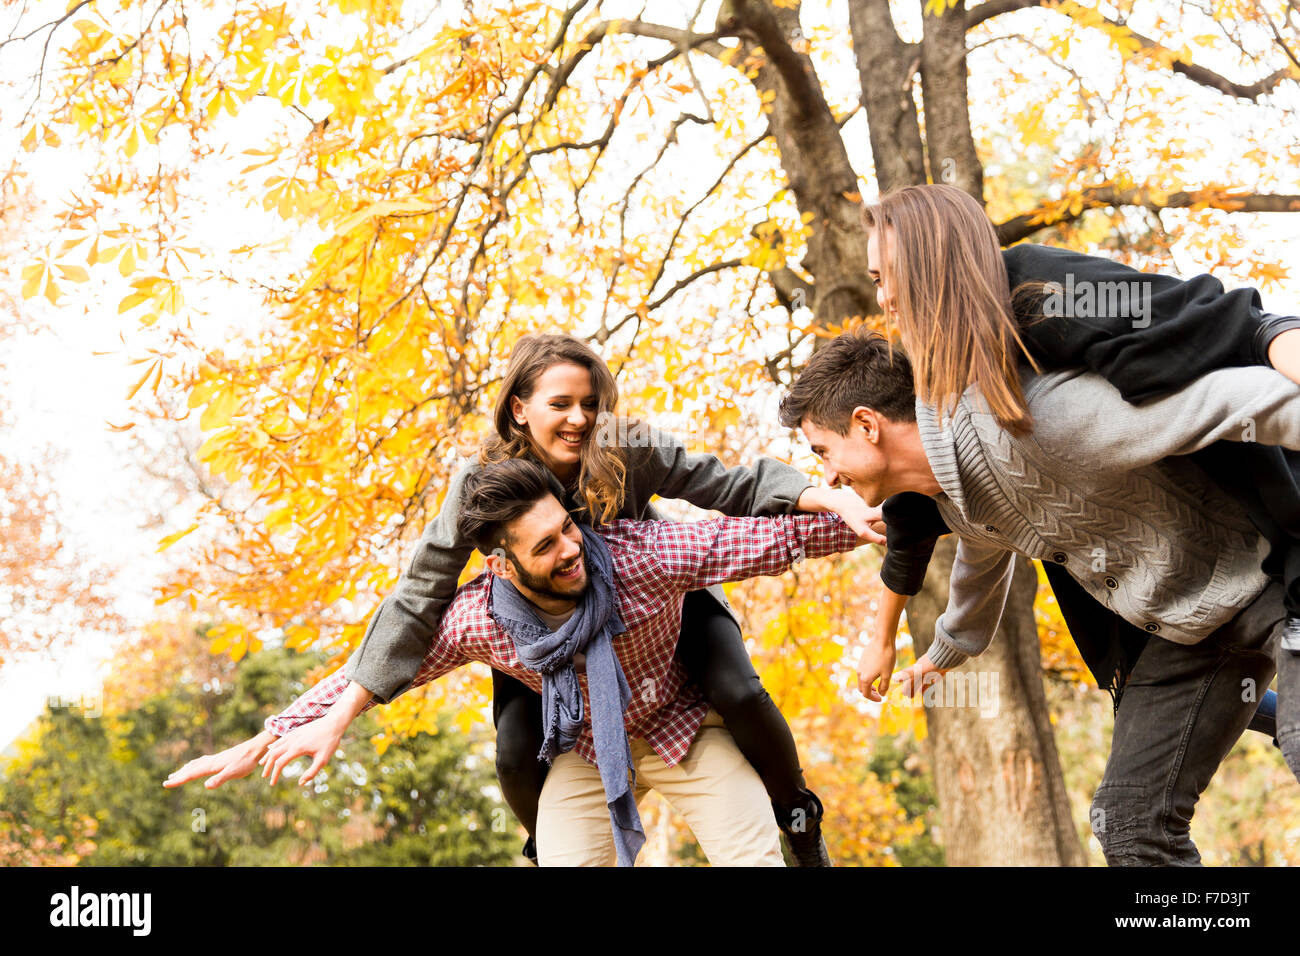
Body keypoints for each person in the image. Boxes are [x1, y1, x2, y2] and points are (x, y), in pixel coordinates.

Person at [294, 334, 878, 864]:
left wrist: (826, 500)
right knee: (516, 753)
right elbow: (422, 590)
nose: (580, 418)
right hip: (546, 626)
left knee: (737, 689)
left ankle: (796, 816)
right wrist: (340, 711)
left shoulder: (626, 447)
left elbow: (729, 485)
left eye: (591, 402)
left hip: (649, 589)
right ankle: (550, 844)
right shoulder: (484, 485)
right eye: (560, 404)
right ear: (519, 409)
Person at [164, 458, 866, 866]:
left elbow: (760, 542)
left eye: (567, 529)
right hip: (587, 753)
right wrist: (270, 734)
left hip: (684, 728)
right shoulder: (479, 619)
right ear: (501, 566)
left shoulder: (639, 559)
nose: (568, 551)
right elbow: (376, 667)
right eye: (545, 548)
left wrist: (874, 508)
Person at [779, 330, 1300, 865]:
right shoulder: (952, 494)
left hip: (1271, 575)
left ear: (867, 425)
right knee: (1128, 822)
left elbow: (1227, 399)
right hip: (1185, 627)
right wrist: (941, 655)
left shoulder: (1036, 423)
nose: (828, 474)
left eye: (822, 450)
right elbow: (982, 558)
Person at [851, 184, 1300, 738]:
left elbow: (1211, 328)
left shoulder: (1041, 293)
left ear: (928, 262)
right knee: (1146, 756)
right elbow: (931, 526)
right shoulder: (946, 390)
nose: (883, 300)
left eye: (883, 277)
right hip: (1144, 597)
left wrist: (1275, 334)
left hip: (1246, 528)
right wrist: (928, 646)